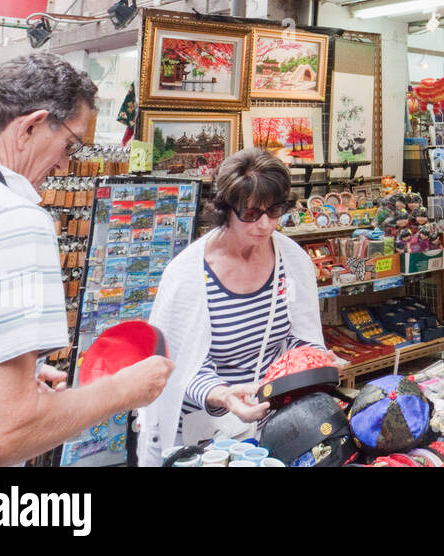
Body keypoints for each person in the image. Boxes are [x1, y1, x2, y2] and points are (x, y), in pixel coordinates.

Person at [0, 53, 173, 466]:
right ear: (30, 126)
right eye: (69, 144)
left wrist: (8, 380)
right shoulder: (8, 219)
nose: (66, 164)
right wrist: (124, 390)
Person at [138, 148, 323, 465]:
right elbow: (175, 363)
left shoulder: (291, 259)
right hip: (198, 432)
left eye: (275, 211)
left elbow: (300, 334)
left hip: (266, 423)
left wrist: (315, 363)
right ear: (225, 209)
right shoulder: (187, 275)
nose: (264, 224)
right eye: (251, 214)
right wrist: (224, 394)